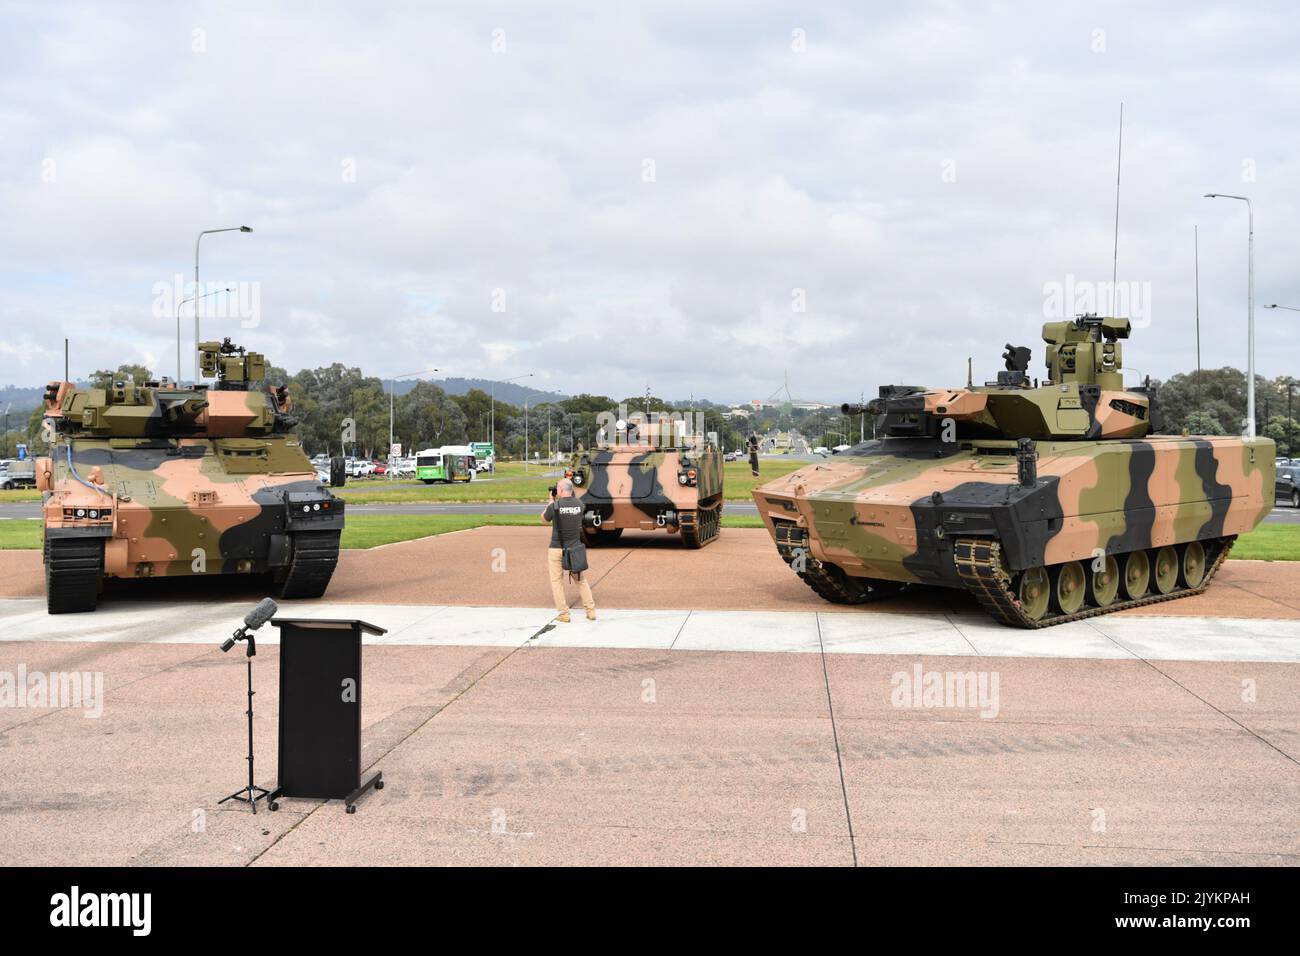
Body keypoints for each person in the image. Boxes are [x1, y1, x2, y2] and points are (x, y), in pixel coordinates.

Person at [541, 477, 596, 622]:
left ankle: (564, 614)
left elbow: (544, 519)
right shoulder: (580, 505)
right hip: (574, 548)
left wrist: (550, 501)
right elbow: (576, 506)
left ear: (559, 490)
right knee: (581, 580)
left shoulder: (555, 505)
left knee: (556, 581)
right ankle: (590, 611)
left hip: (556, 547)